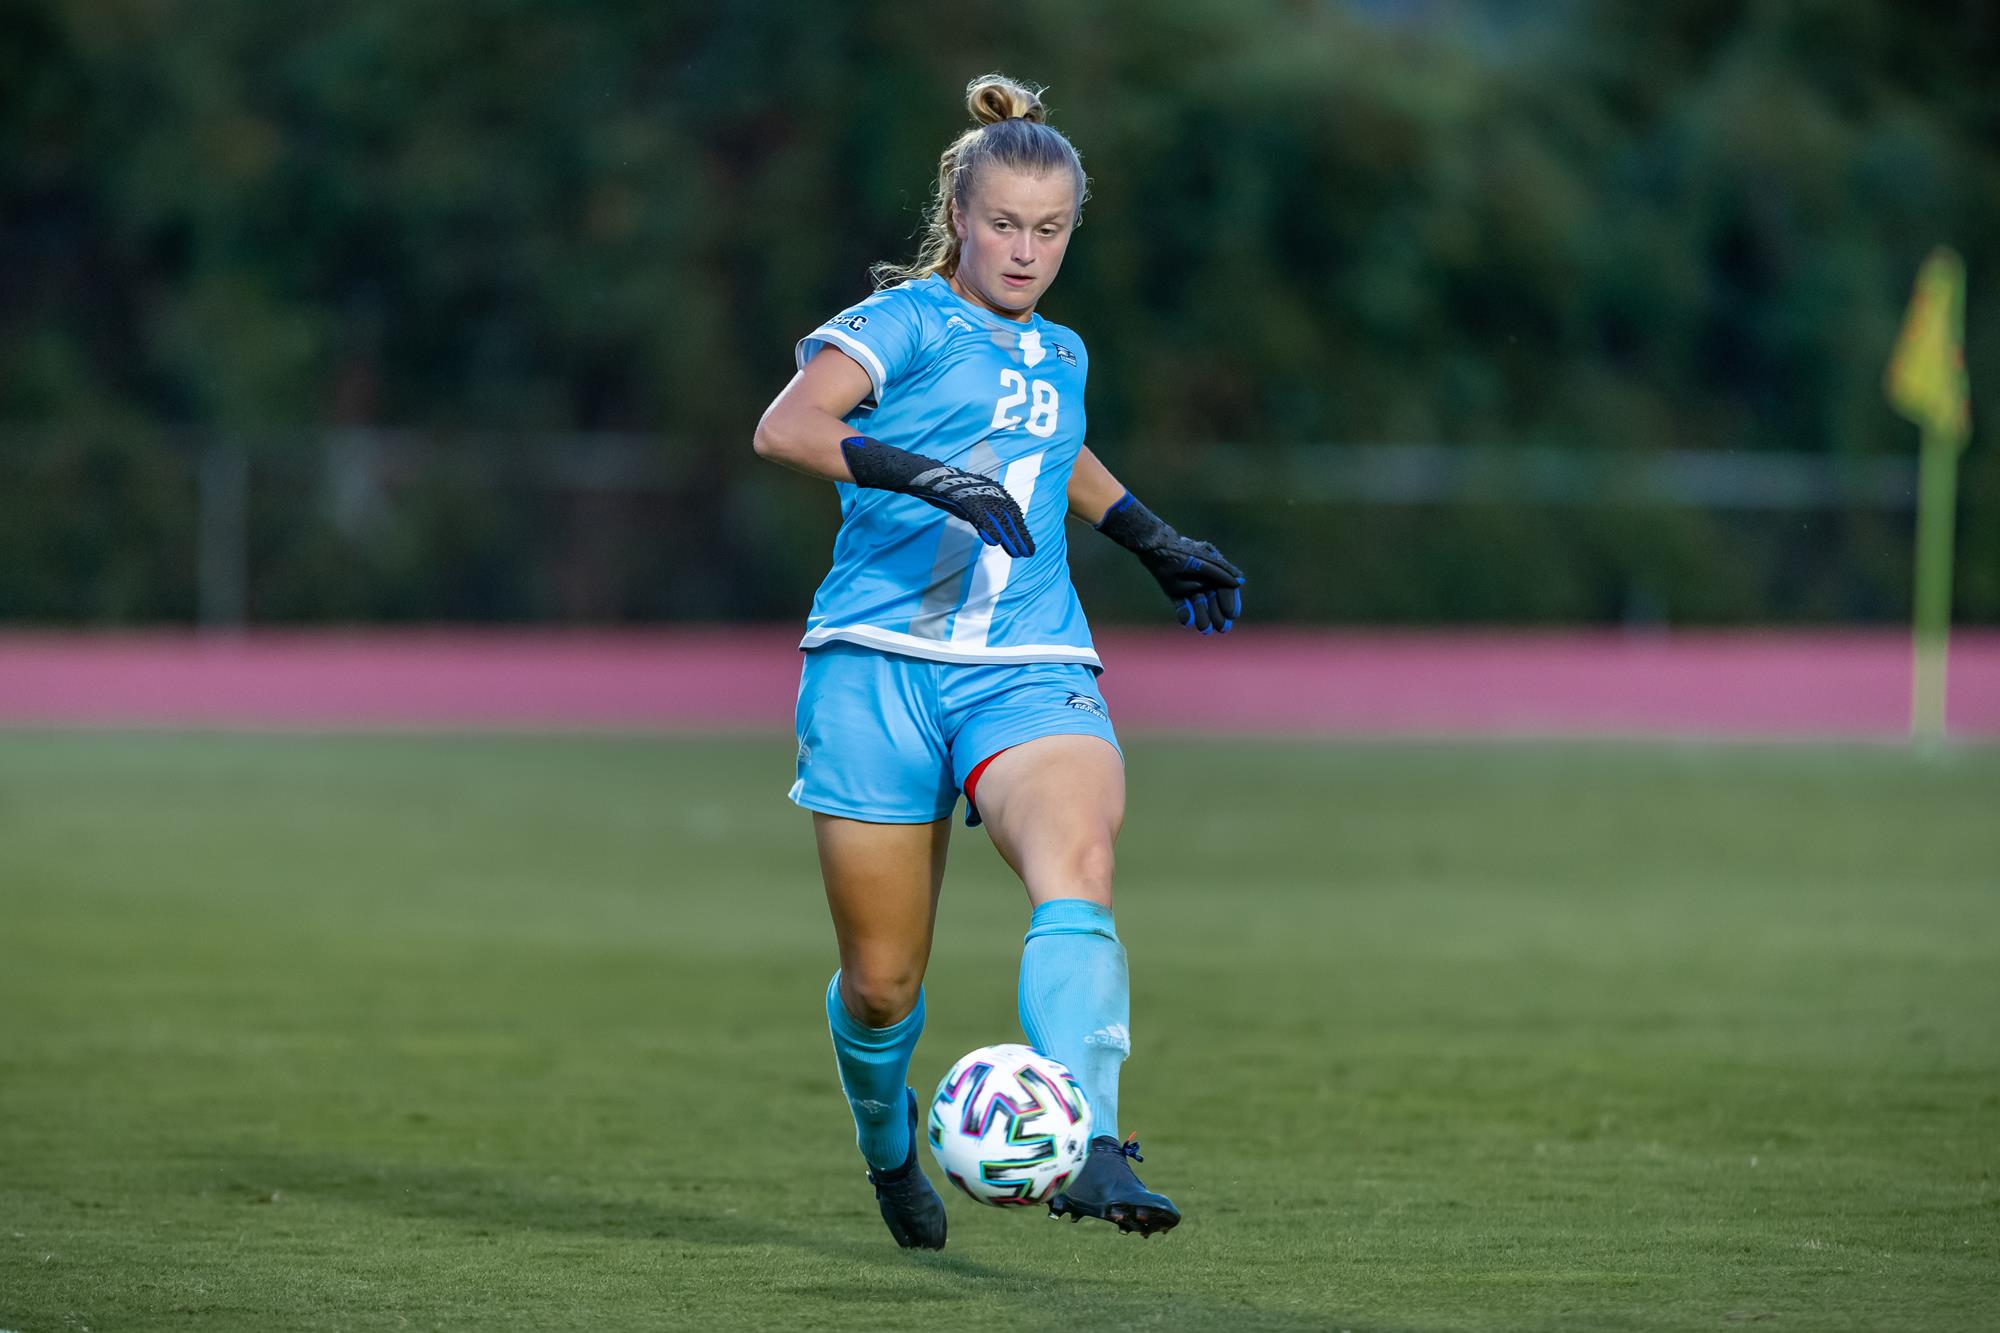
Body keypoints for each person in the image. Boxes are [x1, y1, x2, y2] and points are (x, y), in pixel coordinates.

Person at [752, 73, 1244, 1249]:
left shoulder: (1062, 349)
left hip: (1026, 660)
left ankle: (1096, 1146)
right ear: (960, 217)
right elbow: (789, 426)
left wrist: (1148, 537)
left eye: (1050, 229)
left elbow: (1053, 448)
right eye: (1004, 225)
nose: (1025, 252)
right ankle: (887, 1151)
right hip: (876, 664)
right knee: (880, 986)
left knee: (1076, 855)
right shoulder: (903, 322)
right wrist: (922, 474)